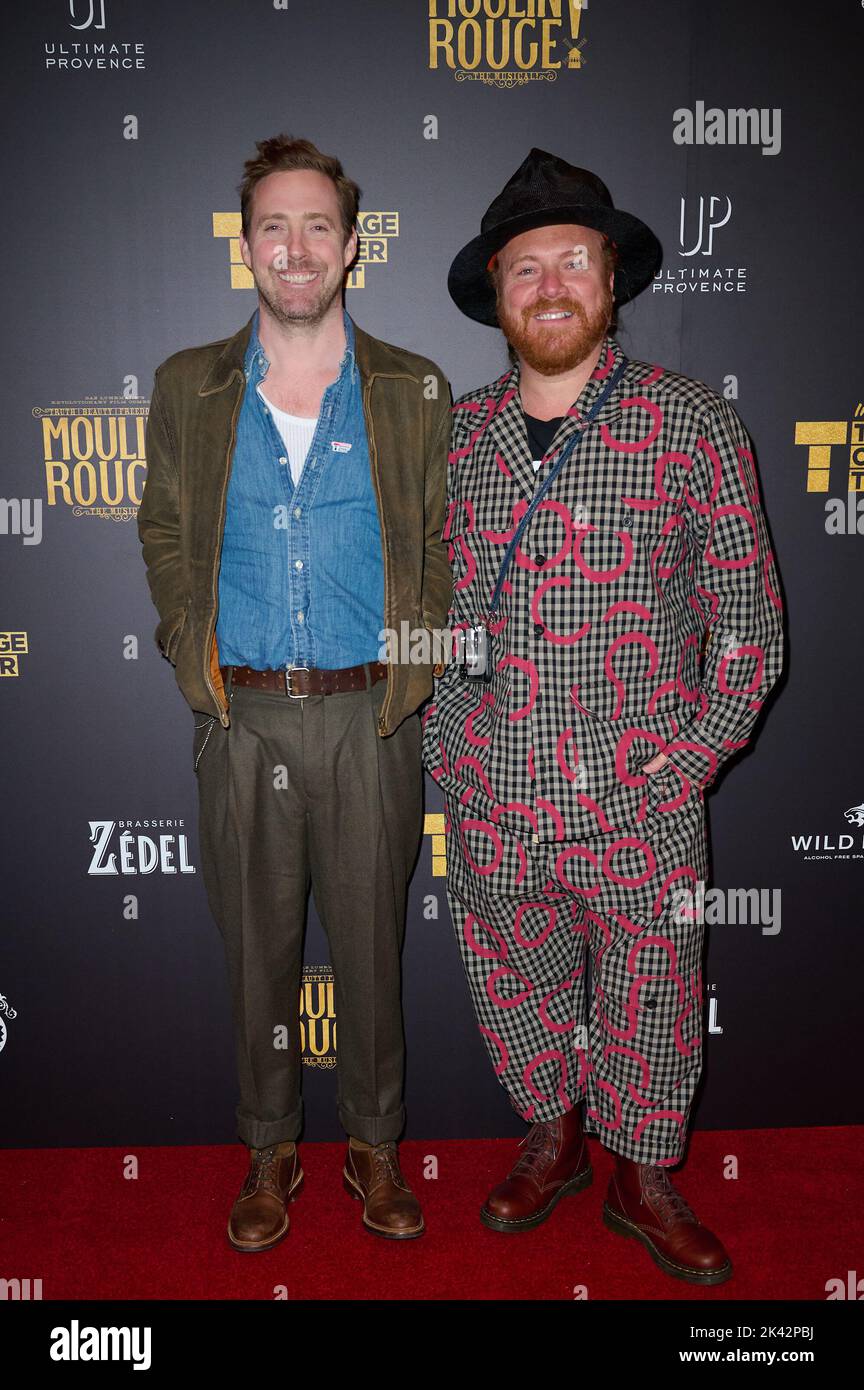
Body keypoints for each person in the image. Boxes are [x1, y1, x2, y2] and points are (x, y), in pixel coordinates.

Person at [422, 147, 784, 1284]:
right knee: (513, 981)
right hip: (493, 796)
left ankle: (640, 1172)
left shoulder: (693, 426)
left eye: (572, 260)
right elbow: (424, 610)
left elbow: (750, 626)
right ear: (498, 291)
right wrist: (446, 742)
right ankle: (556, 1135)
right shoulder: (458, 441)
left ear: (611, 281)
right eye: (525, 267)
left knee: (655, 994)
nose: (550, 285)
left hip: (639, 801)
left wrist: (683, 766)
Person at [138, 134, 451, 1250]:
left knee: (374, 955)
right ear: (246, 246)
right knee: (258, 954)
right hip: (247, 716)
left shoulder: (415, 387)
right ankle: (270, 1150)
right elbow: (165, 528)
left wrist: (411, 679)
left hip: (372, 719)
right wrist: (192, 639)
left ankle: (373, 1145)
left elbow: (441, 543)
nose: (297, 245)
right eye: (274, 224)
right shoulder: (190, 385)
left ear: (352, 244)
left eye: (318, 224)